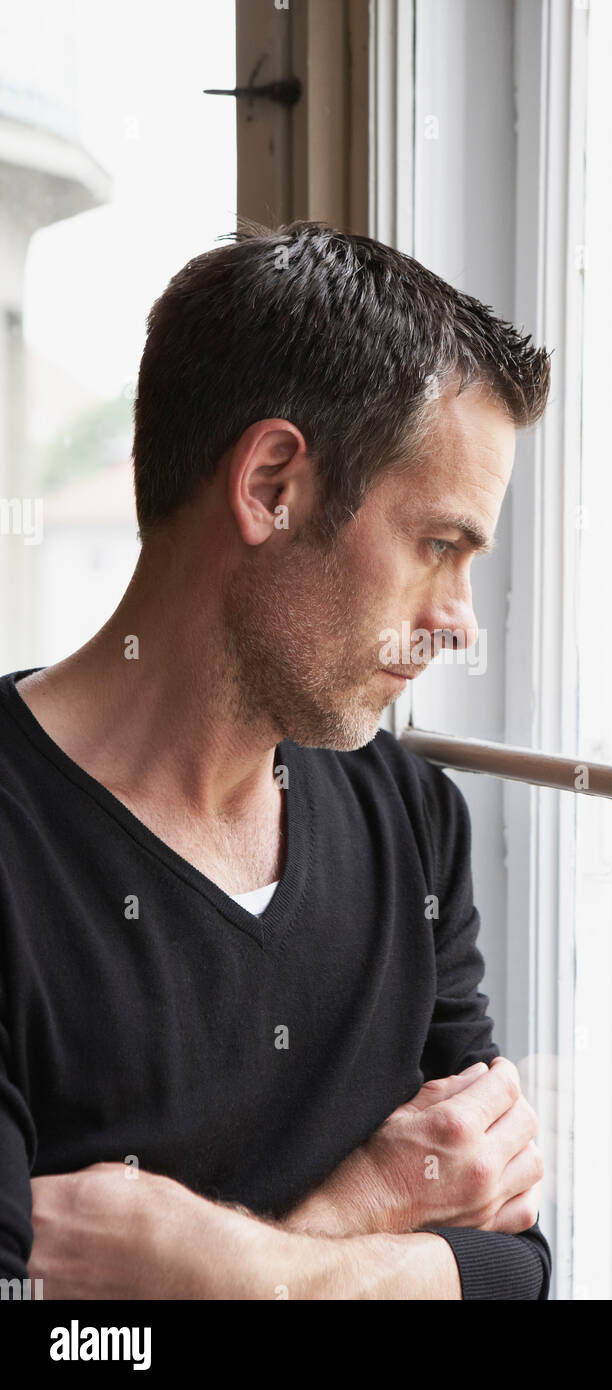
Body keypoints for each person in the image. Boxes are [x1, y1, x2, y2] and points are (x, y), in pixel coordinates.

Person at [0, 220, 552, 1299]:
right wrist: (377, 1217)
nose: (459, 623)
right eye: (439, 545)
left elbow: (514, 1268)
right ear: (270, 485)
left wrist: (231, 1267)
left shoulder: (413, 823)